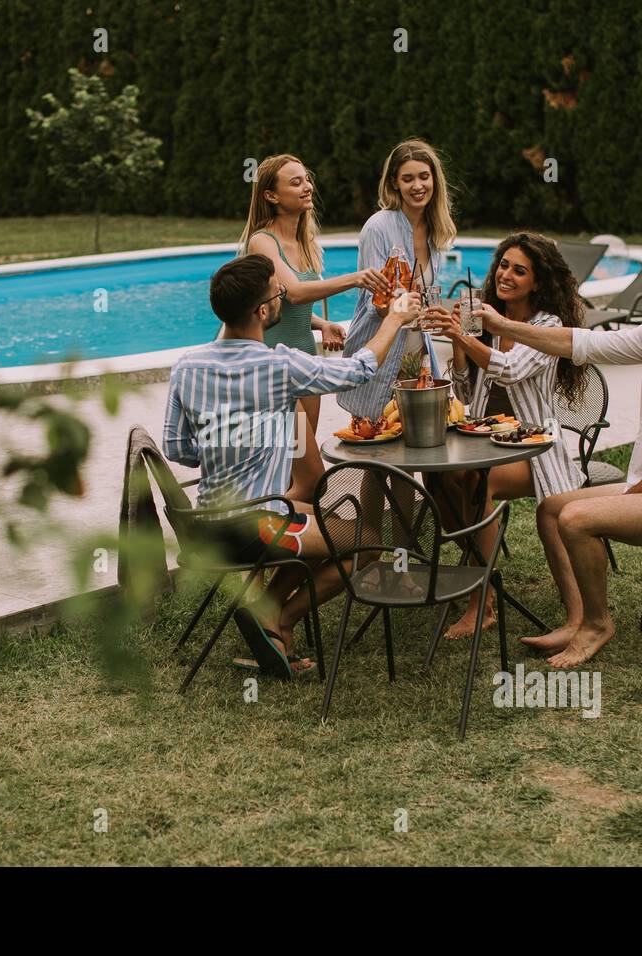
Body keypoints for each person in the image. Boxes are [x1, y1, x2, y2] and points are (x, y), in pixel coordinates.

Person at [472, 240, 642, 666]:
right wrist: (504, 324)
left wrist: (619, 501)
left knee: (578, 518)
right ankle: (576, 619)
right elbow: (583, 345)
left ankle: (597, 624)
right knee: (552, 508)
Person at [164, 254, 418, 677]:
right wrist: (394, 319)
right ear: (263, 311)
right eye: (278, 293)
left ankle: (268, 611)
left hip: (204, 526)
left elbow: (177, 448)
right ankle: (279, 617)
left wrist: (220, 449)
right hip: (256, 526)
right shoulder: (279, 364)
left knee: (322, 521)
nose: (283, 298)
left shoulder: (186, 367)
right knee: (366, 542)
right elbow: (357, 371)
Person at [424, 233, 586, 639]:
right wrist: (458, 345)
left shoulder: (548, 326)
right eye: (504, 265)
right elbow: (464, 392)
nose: (506, 275)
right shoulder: (486, 318)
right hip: (484, 438)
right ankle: (480, 560)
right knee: (440, 476)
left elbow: (510, 369)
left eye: (520, 270)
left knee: (479, 481)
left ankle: (482, 602)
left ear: (539, 282)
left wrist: (462, 335)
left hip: (535, 448)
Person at [240, 155, 388, 501]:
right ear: (271, 196)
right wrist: (357, 278)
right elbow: (294, 291)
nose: (306, 186)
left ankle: (289, 543)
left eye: (306, 179)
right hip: (274, 368)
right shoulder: (262, 242)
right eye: (295, 182)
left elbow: (290, 305)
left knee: (299, 474)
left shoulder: (305, 242)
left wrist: (322, 323)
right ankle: (252, 525)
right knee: (297, 474)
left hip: (305, 361)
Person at [338, 139, 456, 420]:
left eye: (424, 177)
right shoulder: (378, 227)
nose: (417, 186)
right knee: (379, 449)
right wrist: (399, 306)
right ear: (394, 183)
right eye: (408, 178)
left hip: (419, 354)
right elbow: (374, 304)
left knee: (426, 444)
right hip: (379, 353)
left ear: (434, 180)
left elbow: (424, 300)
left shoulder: (436, 231)